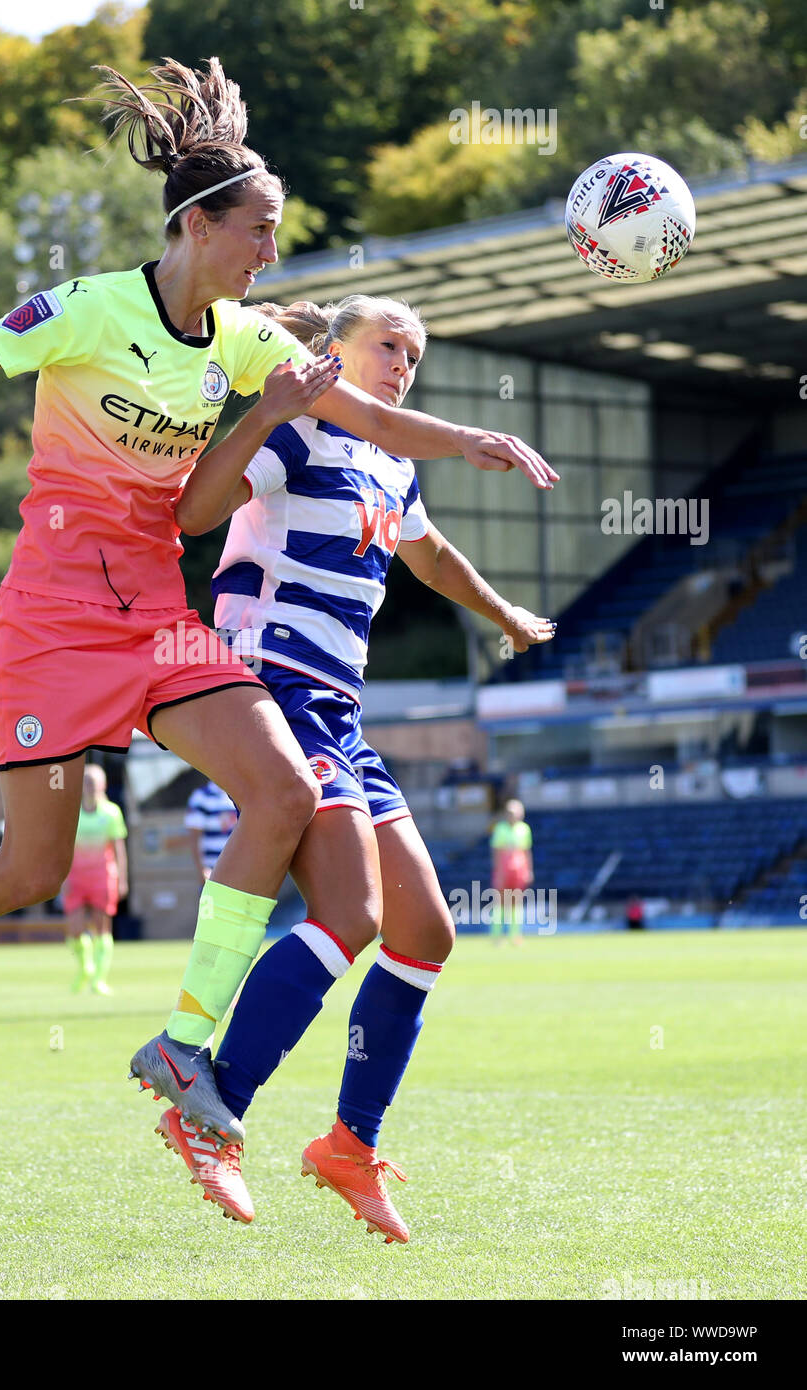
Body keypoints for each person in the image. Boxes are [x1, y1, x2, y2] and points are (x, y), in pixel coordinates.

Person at [0, 57, 554, 1136]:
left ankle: (186, 1041)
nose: (273, 249)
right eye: (260, 227)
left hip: (160, 618)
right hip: (51, 624)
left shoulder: (246, 340)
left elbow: (377, 424)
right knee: (30, 866)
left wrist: (474, 438)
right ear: (198, 225)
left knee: (285, 789)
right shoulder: (86, 310)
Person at [150, 294, 555, 1239]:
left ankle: (346, 1145)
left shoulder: (392, 463)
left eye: (413, 357)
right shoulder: (297, 433)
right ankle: (211, 1109)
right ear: (334, 349)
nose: (402, 367)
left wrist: (503, 617)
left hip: (341, 709)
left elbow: (432, 555)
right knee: (351, 915)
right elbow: (197, 509)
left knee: (424, 934)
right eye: (388, 347)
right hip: (272, 681)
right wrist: (263, 410)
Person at [62, 764, 127, 994]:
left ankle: (99, 979)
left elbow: (119, 848)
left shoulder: (111, 813)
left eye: (93, 782)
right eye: (86, 782)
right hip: (76, 877)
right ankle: (85, 968)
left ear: (103, 785)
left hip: (102, 877)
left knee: (102, 929)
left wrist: (122, 879)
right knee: (75, 930)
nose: (89, 786)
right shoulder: (71, 813)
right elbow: (64, 847)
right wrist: (62, 877)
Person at [490, 799, 533, 946]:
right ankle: (497, 936)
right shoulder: (500, 828)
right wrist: (498, 872)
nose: (512, 816)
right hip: (504, 870)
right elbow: (496, 852)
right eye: (510, 813)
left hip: (519, 871)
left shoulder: (524, 829)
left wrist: (528, 870)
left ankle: (515, 935)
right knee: (500, 904)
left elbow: (526, 851)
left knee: (516, 904)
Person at [185, 779, 238, 882]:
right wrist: (202, 869)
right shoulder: (201, 796)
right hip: (213, 875)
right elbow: (194, 838)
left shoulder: (239, 794)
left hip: (239, 873)